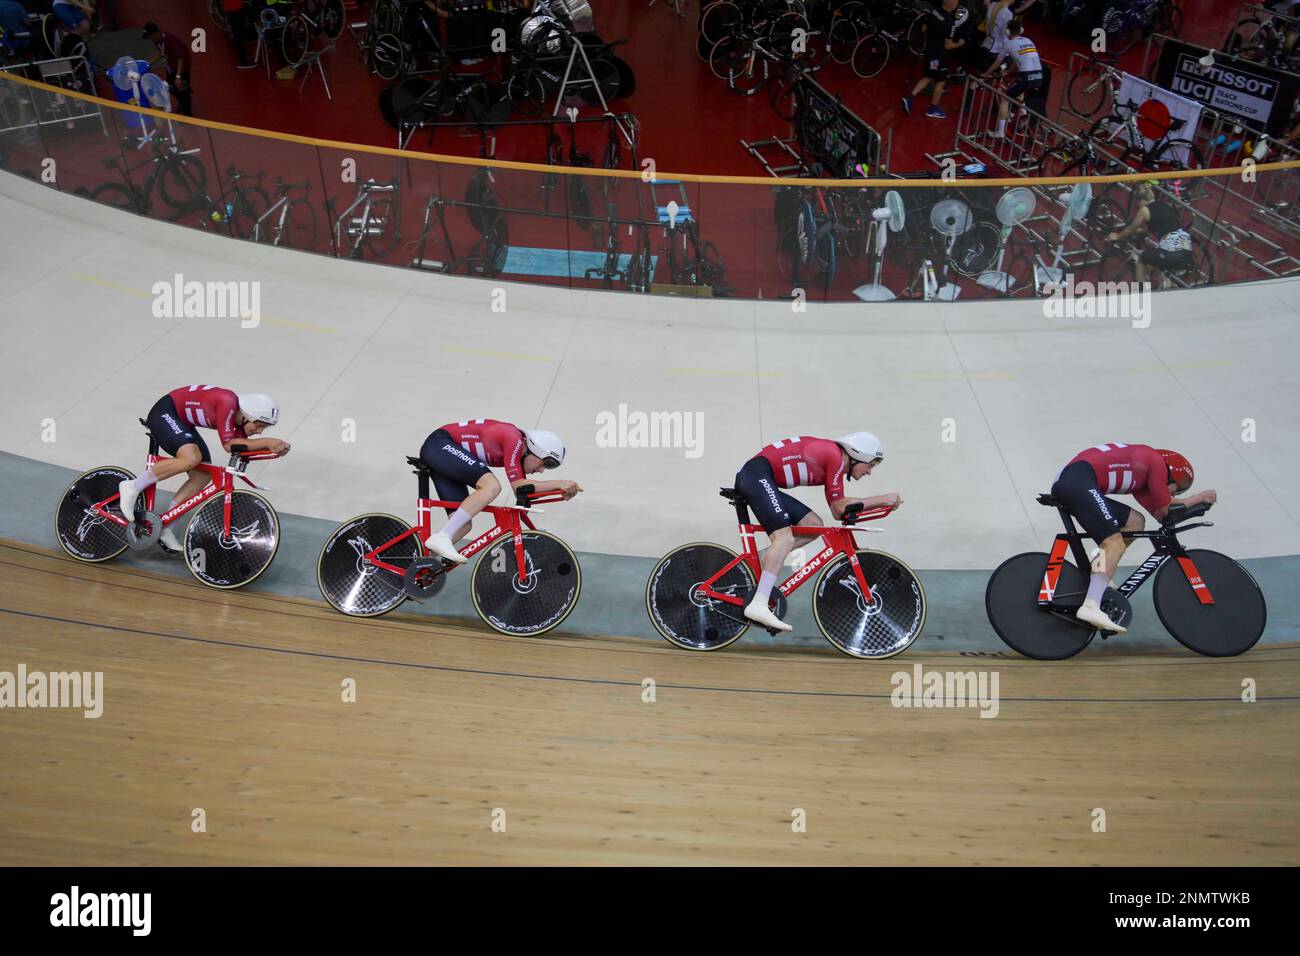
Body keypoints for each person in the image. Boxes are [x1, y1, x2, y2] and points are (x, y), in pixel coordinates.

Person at [732, 431, 902, 632]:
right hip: (755, 475)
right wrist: (882, 499)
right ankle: (759, 604)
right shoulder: (835, 457)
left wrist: (877, 503)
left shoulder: (835, 458)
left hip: (759, 476)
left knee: (813, 525)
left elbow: (837, 510)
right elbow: (839, 508)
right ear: (859, 455)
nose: (869, 472)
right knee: (784, 539)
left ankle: (766, 557)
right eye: (871, 465)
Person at [1050, 443, 1214, 633]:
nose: (1175, 493)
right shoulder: (1156, 462)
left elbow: (1162, 514)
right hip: (1077, 481)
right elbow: (1165, 503)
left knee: (1135, 522)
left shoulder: (1141, 478)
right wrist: (1198, 498)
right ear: (1170, 473)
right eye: (1179, 487)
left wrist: (1190, 507)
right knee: (1113, 543)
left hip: (1074, 480)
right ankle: (1091, 606)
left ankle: (1100, 566)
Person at [118, 387, 290, 553]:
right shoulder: (227, 402)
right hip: (166, 412)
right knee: (191, 458)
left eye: (263, 429)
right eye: (259, 425)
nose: (259, 432)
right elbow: (229, 445)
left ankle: (167, 528)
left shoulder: (239, 423)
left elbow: (243, 447)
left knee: (202, 475)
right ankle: (132, 486)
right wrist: (269, 442)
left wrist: (273, 450)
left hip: (182, 422)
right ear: (248, 415)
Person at [418, 418, 581, 563]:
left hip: (444, 453)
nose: (542, 470)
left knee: (462, 525)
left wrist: (534, 532)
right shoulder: (514, 438)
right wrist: (559, 483)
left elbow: (523, 493)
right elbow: (519, 486)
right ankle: (441, 537)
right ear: (534, 449)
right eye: (545, 463)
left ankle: (419, 566)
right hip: (440, 444)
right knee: (491, 486)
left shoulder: (519, 451)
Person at [1104, 181, 1193, 287]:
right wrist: (1137, 231)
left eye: (1137, 204)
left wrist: (1118, 236)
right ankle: (1165, 287)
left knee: (1142, 258)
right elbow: (1150, 229)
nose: (1137, 207)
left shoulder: (1145, 210)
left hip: (1171, 249)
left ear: (1141, 200)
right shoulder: (1165, 205)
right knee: (1156, 263)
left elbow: (1130, 229)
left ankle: (1142, 292)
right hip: (1186, 245)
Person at [903, 0, 969, 120]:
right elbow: (948, 46)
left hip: (928, 51)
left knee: (928, 76)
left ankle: (910, 98)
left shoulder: (934, 12)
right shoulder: (950, 23)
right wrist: (960, 43)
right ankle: (933, 108)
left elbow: (923, 29)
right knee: (941, 80)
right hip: (939, 56)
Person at [981, 17, 1045, 138]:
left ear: (1007, 32)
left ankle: (1000, 132)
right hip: (1039, 76)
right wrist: (1009, 72)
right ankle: (1023, 119)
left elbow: (997, 62)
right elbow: (1017, 60)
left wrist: (986, 73)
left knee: (1005, 98)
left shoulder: (1008, 43)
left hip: (1025, 77)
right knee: (1020, 94)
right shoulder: (1028, 40)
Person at [142, 21, 191, 116]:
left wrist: (178, 77)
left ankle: (188, 114)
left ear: (156, 33)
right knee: (170, 87)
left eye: (150, 36)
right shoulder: (157, 40)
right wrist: (148, 63)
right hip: (171, 65)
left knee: (183, 90)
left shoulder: (170, 40)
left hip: (182, 66)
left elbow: (181, 58)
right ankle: (182, 104)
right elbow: (162, 53)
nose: (150, 39)